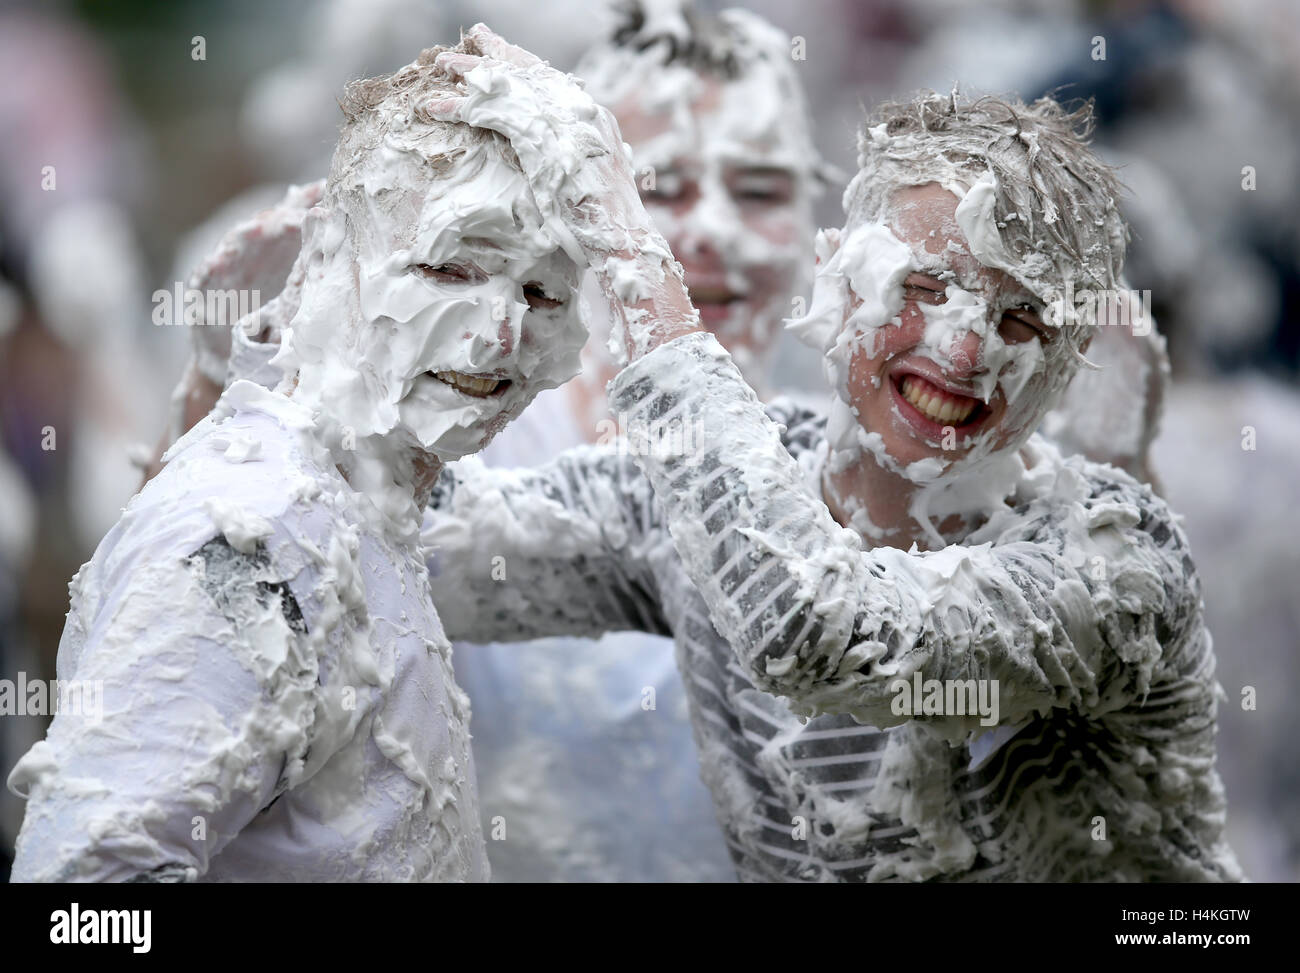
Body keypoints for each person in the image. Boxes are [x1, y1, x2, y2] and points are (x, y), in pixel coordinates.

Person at [424, 38, 1243, 881]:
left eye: (1022, 319)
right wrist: (324, 350)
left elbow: (814, 627)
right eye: (924, 288)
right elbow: (433, 547)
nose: (962, 351)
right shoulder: (732, 487)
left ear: (1070, 361)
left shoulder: (1113, 556)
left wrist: (630, 251)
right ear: (831, 277)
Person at [5, 32, 602, 882]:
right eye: (453, 267)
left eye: (542, 290)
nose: (502, 330)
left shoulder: (378, 501)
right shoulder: (260, 539)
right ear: (334, 260)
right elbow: (84, 904)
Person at [452, 2, 829, 882]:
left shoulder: (866, 462)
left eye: (763, 190)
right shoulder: (481, 442)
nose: (715, 232)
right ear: (574, 209)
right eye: (660, 190)